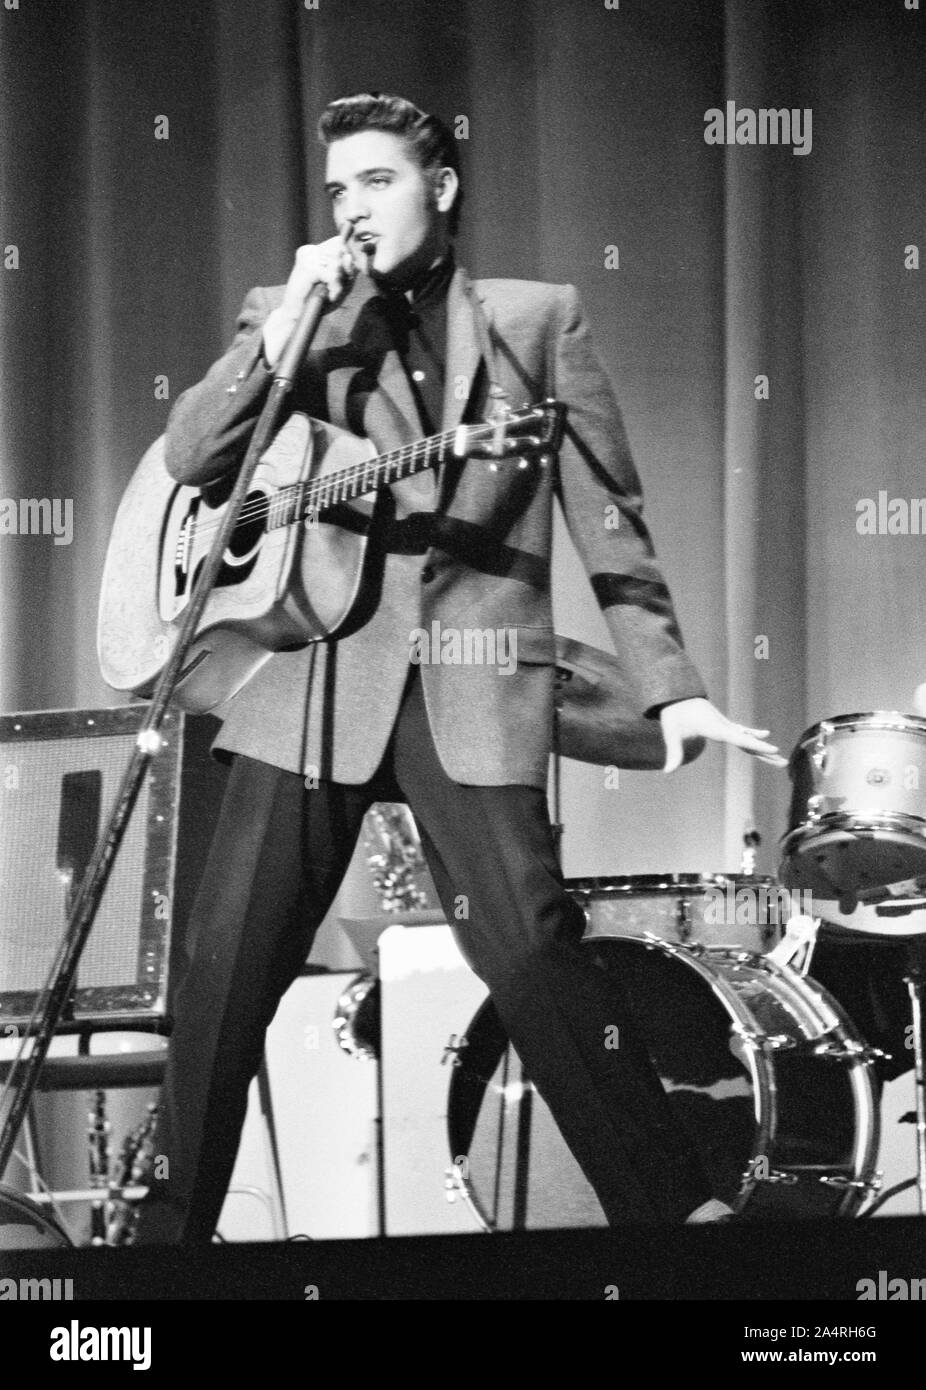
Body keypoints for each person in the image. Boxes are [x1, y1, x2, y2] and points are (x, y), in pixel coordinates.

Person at [133, 92, 783, 1243]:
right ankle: (164, 1253)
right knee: (221, 980)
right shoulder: (293, 317)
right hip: (311, 686)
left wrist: (668, 682)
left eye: (375, 182)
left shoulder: (537, 321)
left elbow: (608, 518)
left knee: (533, 952)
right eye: (338, 189)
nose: (352, 208)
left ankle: (672, 1216)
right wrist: (287, 325)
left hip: (468, 684)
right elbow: (194, 455)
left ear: (437, 188)